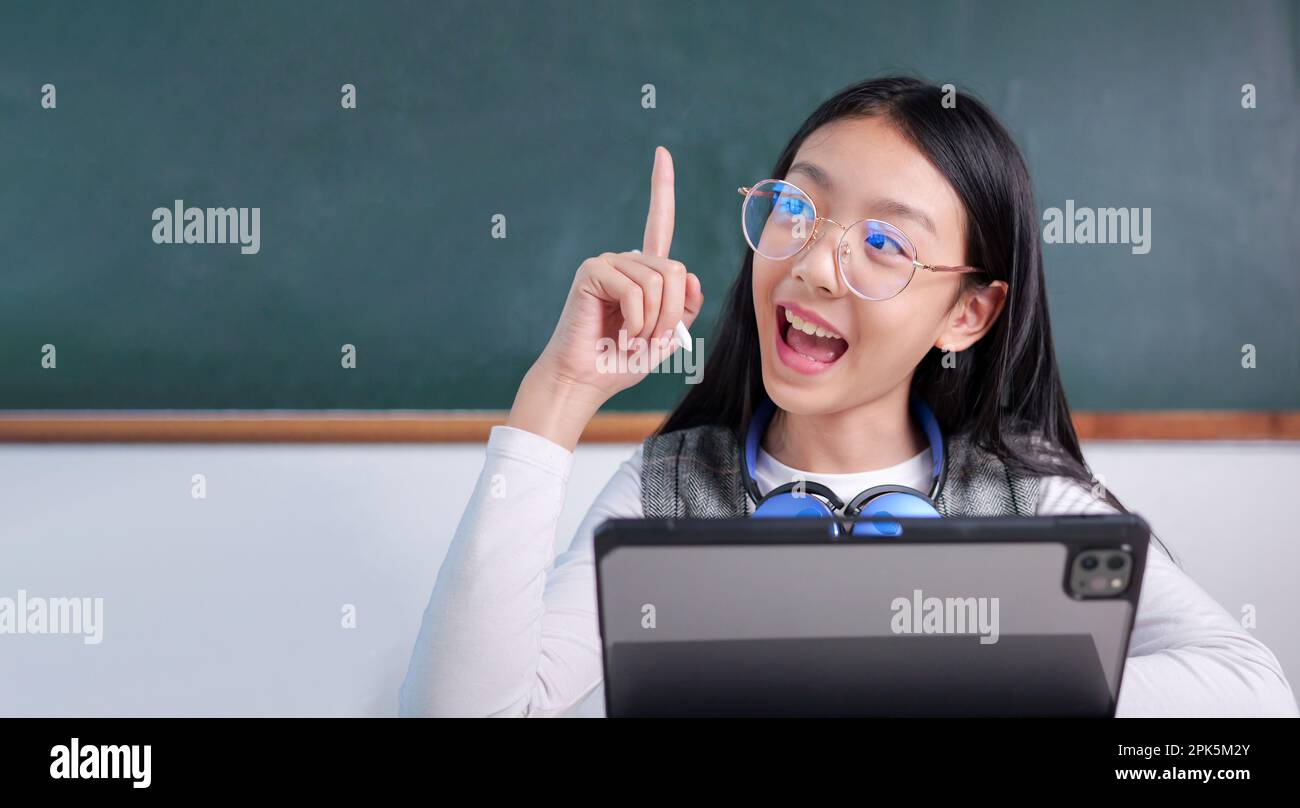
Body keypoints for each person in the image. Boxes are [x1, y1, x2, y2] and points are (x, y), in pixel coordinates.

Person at [400, 77, 1297, 717]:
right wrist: (558, 393)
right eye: (797, 208)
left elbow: (1255, 696)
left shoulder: (1026, 496)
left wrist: (941, 676)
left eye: (883, 242)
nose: (816, 262)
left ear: (969, 314)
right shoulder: (672, 490)